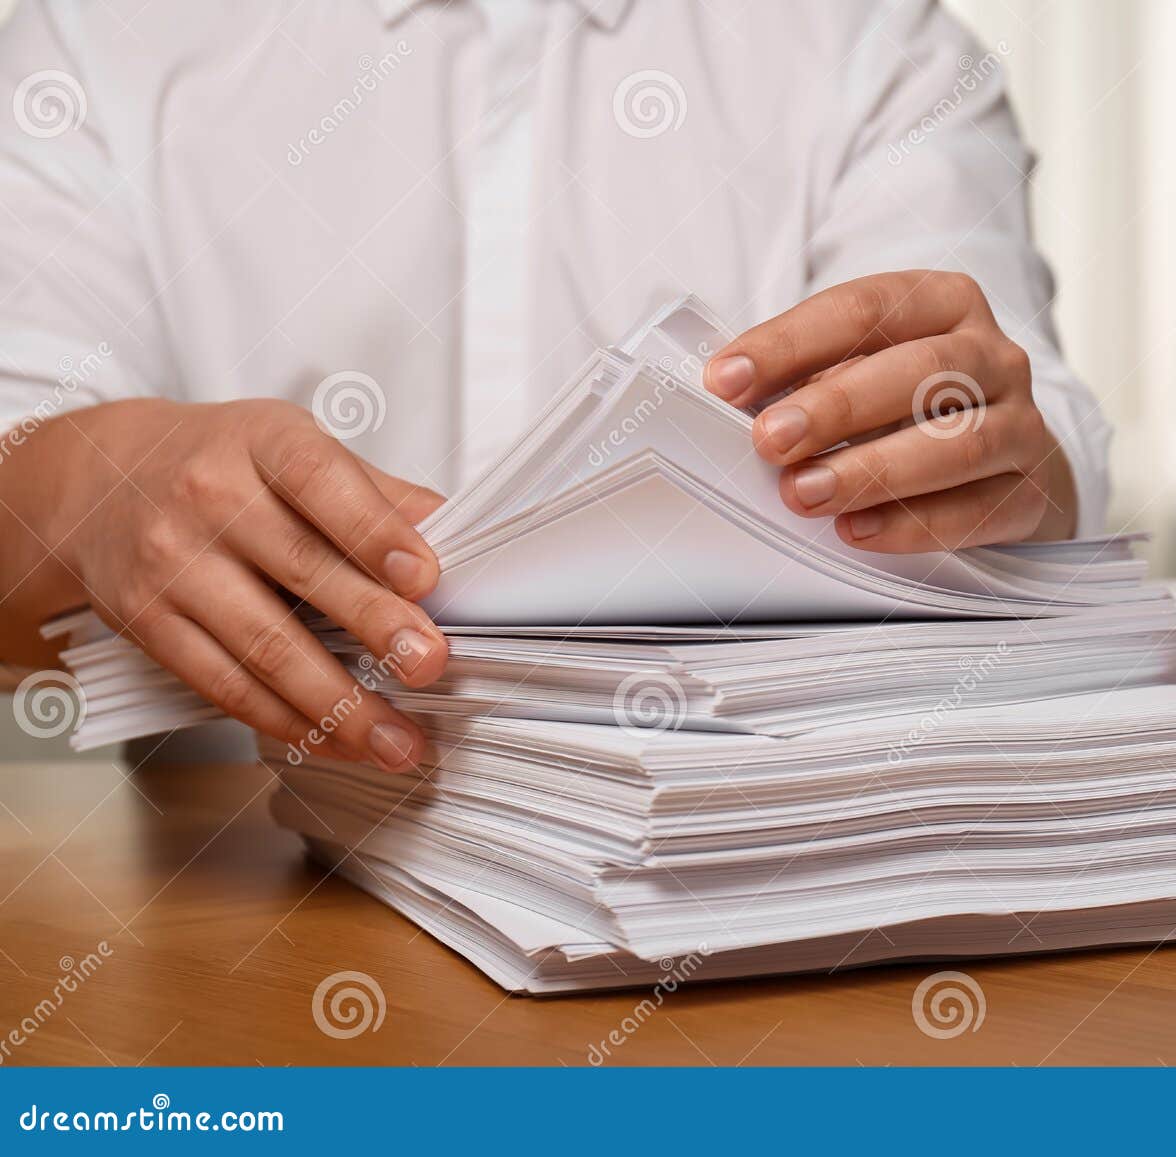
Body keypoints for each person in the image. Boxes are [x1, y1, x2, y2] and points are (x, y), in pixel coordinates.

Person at [0, 0, 1109, 771]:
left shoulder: (873, 46)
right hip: (240, 912)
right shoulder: (100, 39)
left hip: (771, 920)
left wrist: (1014, 470)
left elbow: (1029, 449)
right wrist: (90, 485)